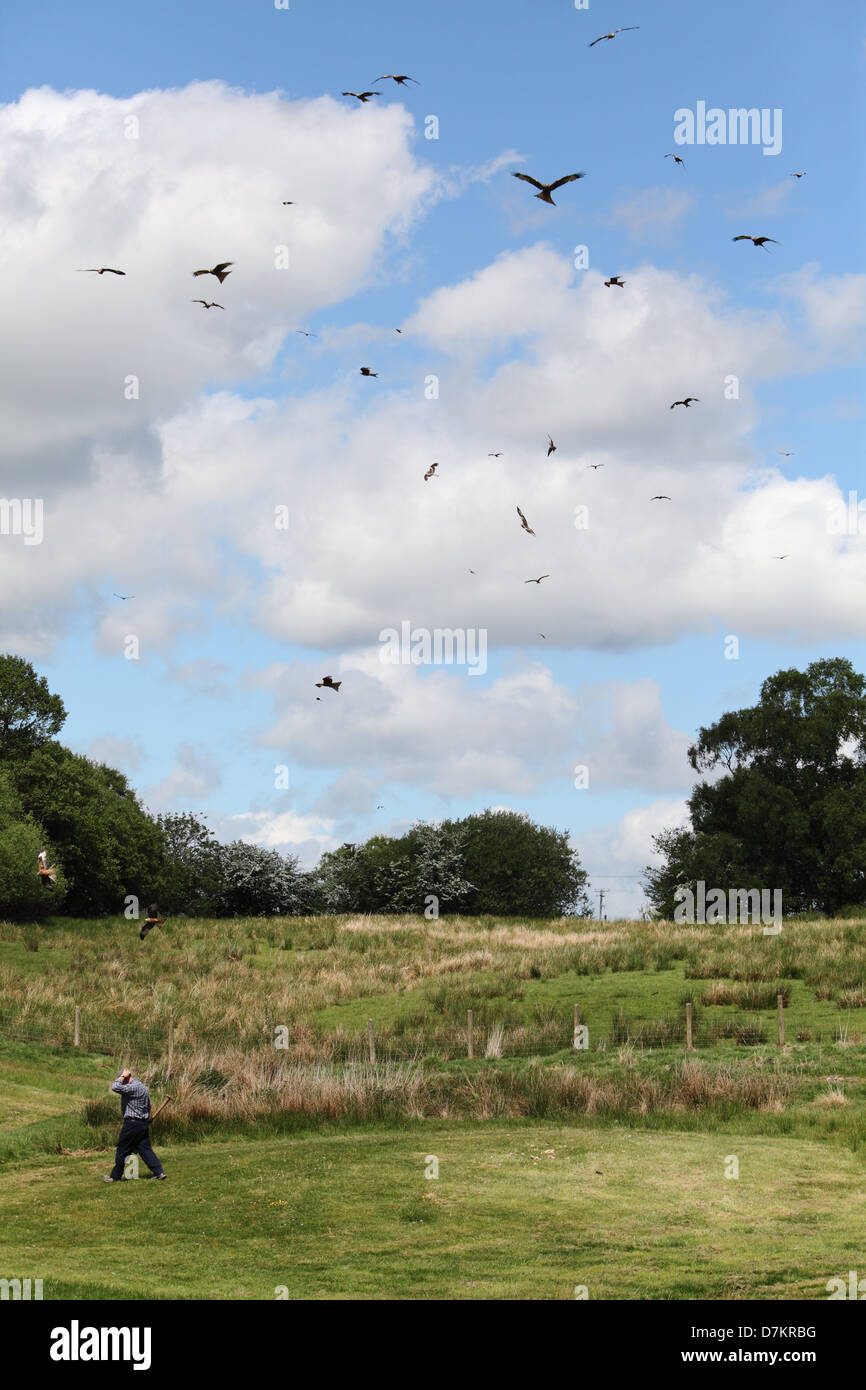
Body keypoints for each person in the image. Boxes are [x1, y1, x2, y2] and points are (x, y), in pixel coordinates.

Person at [103, 1068, 166, 1182]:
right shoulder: (143, 1087)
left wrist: (122, 1076)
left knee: (122, 1149)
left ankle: (115, 1176)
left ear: (126, 1078)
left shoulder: (133, 1087)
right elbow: (148, 1106)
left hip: (132, 1124)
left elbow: (115, 1087)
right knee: (145, 1149)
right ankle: (159, 1172)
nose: (121, 1081)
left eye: (122, 1079)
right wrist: (146, 1118)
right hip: (142, 1124)